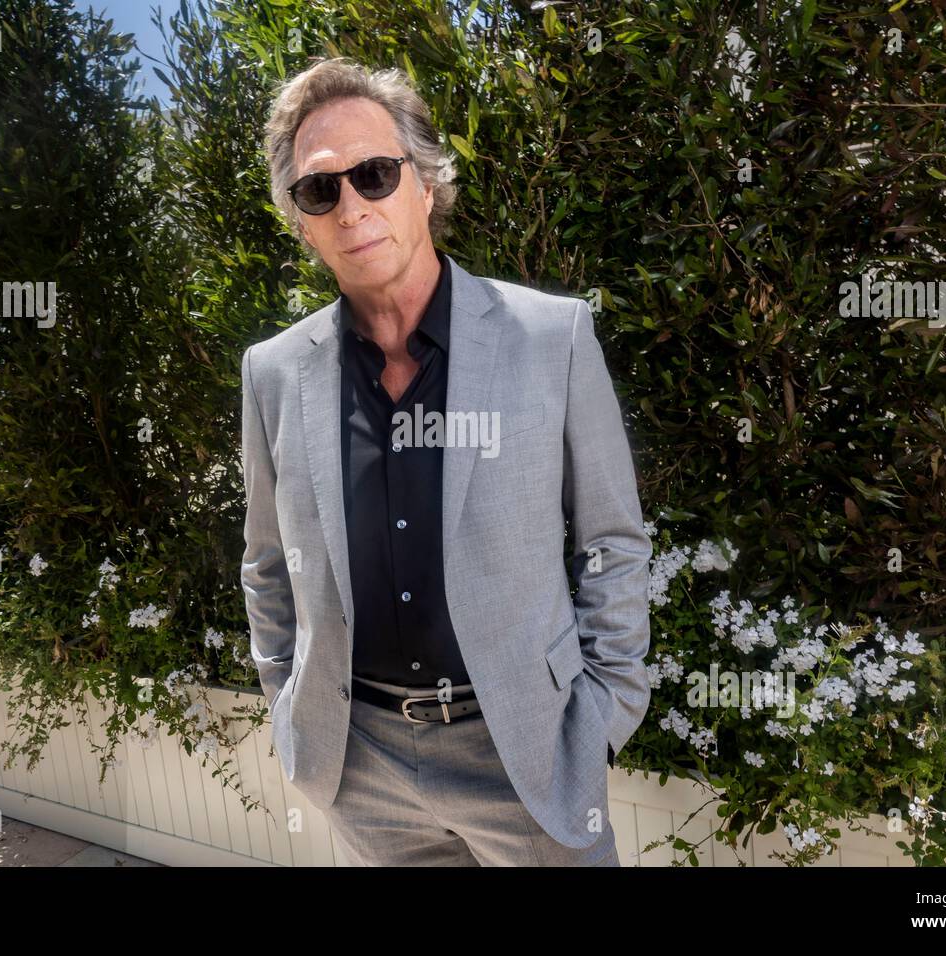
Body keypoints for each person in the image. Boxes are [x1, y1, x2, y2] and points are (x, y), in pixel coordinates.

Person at [240, 56, 651, 865]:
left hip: (528, 752)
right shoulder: (274, 371)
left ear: (426, 183)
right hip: (364, 769)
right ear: (301, 218)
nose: (352, 206)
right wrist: (291, 704)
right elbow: (265, 563)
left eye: (376, 174)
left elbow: (613, 540)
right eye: (322, 190)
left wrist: (603, 716)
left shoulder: (552, 338)